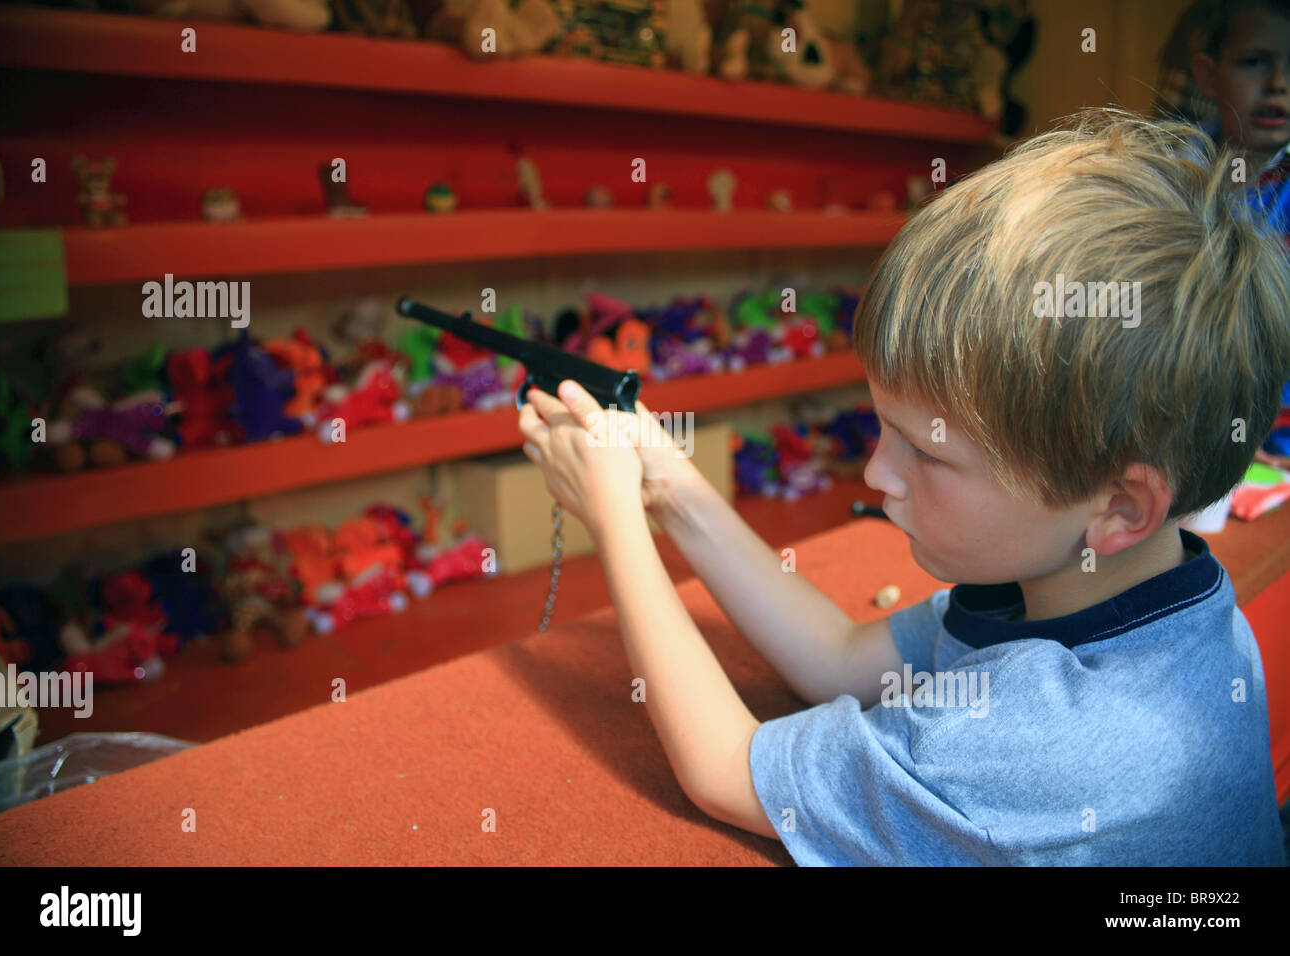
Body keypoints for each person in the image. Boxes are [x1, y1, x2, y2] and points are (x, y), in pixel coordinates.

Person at [517, 108, 1290, 864]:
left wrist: (615, 518)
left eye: (928, 450)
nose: (876, 473)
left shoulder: (1047, 741)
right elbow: (836, 659)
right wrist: (668, 485)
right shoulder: (1130, 589)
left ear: (1120, 506)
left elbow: (726, 770)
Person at [1169, 0, 1290, 464]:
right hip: (1182, 441)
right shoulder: (1164, 178)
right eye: (1254, 62)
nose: (1278, 83)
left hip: (1278, 452)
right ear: (1208, 76)